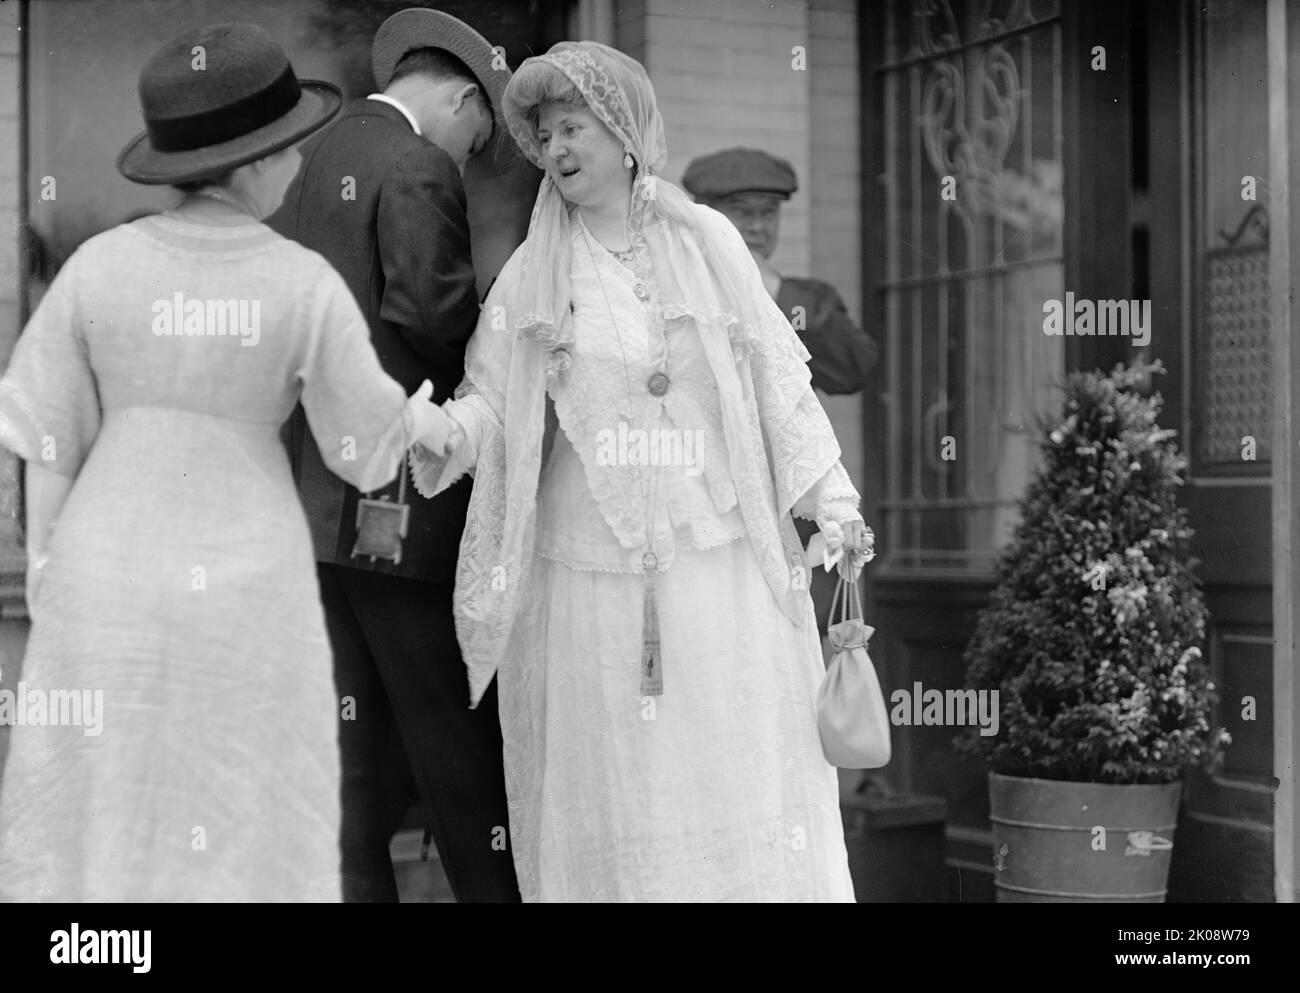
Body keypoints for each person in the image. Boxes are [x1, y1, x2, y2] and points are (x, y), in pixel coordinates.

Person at [0, 22, 454, 901]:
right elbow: (364, 450)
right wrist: (433, 422)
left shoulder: (99, 266)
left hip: (107, 568)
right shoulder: (297, 280)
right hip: (247, 575)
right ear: (256, 163)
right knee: (240, 780)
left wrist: (50, 564)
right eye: (287, 146)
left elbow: (44, 438)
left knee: (110, 780)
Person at [409, 41, 873, 902]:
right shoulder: (533, 267)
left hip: (719, 554)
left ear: (625, 134)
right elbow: (491, 397)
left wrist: (830, 502)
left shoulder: (710, 243)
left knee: (722, 760)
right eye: (544, 135)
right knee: (625, 778)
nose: (557, 149)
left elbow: (777, 377)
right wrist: (445, 433)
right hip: (592, 570)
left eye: (573, 126)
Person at [267, 7, 520, 903]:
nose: (464, 158)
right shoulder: (415, 162)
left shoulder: (305, 165)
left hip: (311, 512)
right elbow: (432, 313)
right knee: (451, 742)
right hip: (398, 509)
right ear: (458, 97)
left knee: (354, 756)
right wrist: (507, 324)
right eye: (475, 136)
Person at [683, 148, 878, 638]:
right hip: (701, 503)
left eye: (767, 213)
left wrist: (771, 290)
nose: (756, 226)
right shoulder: (677, 294)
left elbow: (854, 369)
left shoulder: (802, 299)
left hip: (784, 506)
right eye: (741, 213)